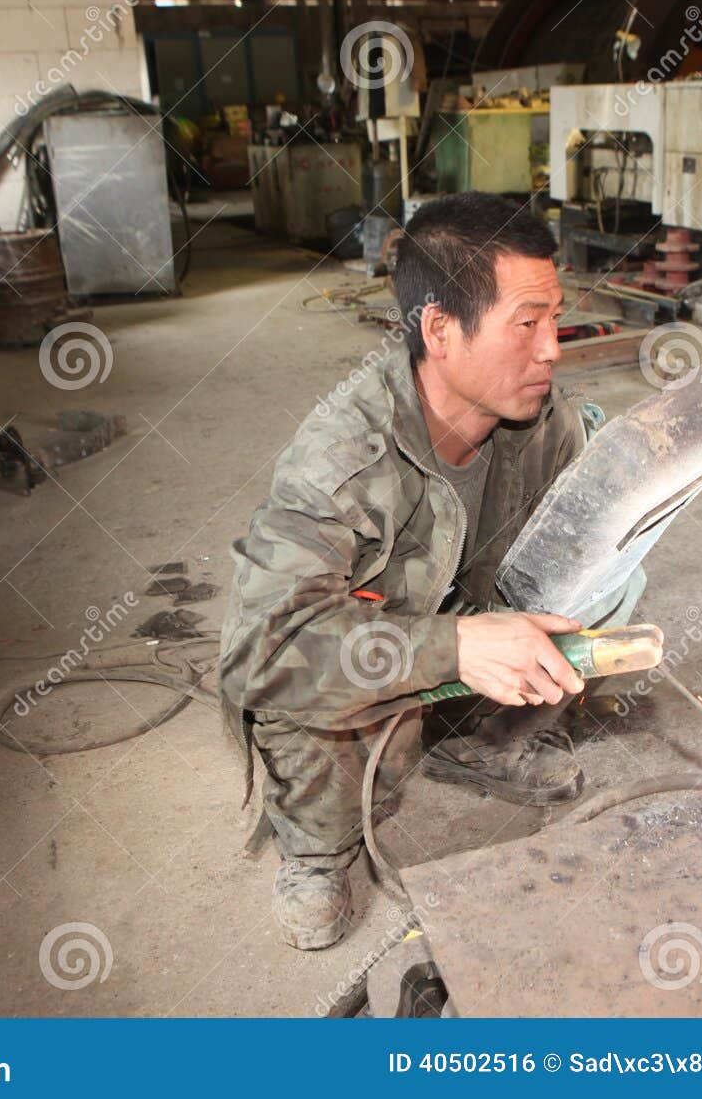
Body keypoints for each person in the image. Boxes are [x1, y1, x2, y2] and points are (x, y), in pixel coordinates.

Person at [220, 192, 643, 949]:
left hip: (457, 630)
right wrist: (456, 647)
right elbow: (261, 652)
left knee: (609, 585)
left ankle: (481, 740)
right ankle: (317, 846)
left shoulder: (546, 421)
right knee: (318, 689)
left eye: (556, 318)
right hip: (377, 660)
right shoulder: (342, 458)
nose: (553, 348)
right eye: (527, 324)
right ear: (440, 330)